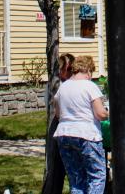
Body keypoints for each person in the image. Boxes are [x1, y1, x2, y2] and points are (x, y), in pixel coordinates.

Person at [53, 56, 108, 194]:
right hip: (87, 135)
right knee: (97, 175)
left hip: (64, 135)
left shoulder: (62, 88)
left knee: (76, 179)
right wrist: (109, 112)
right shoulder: (90, 86)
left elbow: (58, 114)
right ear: (88, 71)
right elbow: (100, 114)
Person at [42, 53, 75, 194]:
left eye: (71, 69)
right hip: (59, 128)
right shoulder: (55, 85)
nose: (68, 73)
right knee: (56, 170)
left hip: (73, 129)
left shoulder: (75, 84)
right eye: (66, 69)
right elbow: (55, 110)